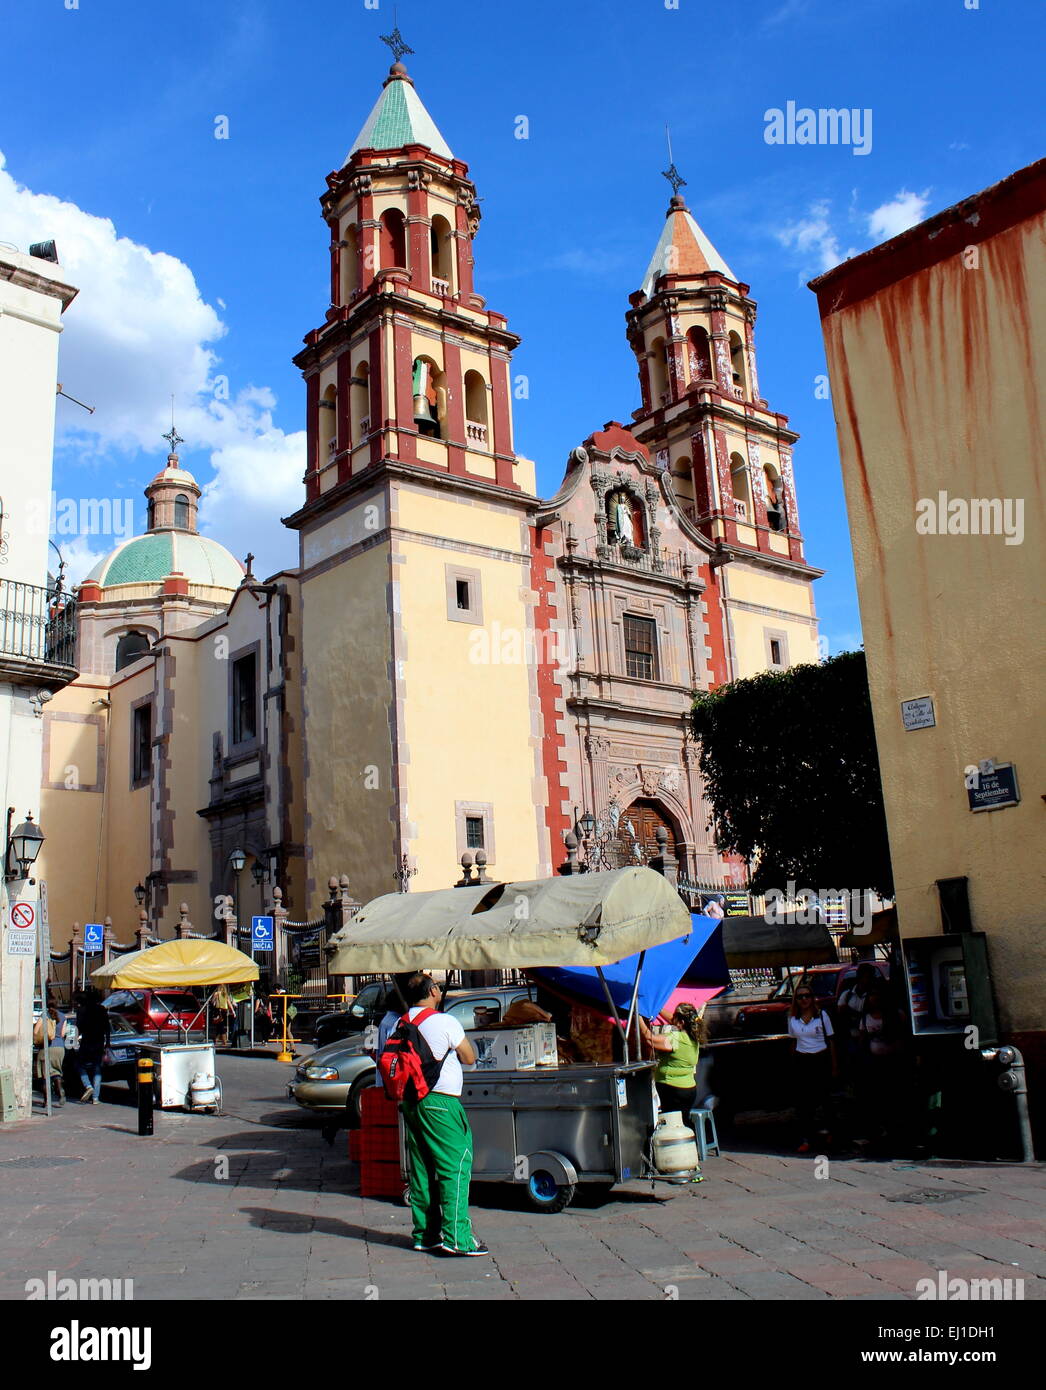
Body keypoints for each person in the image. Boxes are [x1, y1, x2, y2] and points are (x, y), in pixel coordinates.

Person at [395, 972, 485, 1257]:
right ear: (432, 990)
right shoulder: (445, 1022)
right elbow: (469, 1057)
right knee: (455, 1165)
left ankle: (425, 1234)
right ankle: (458, 1237)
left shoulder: (402, 1022)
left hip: (412, 1102)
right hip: (441, 1104)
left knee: (421, 1169)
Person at [853, 983, 909, 1148]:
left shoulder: (896, 1014)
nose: (874, 998)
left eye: (877, 994)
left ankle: (896, 1129)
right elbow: (862, 1040)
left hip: (894, 1062)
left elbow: (904, 1035)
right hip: (874, 1064)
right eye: (871, 995)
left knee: (894, 1096)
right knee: (877, 1097)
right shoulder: (865, 1017)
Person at [787, 980, 838, 1153]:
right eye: (800, 997)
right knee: (804, 1103)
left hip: (821, 1058)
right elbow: (793, 1041)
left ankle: (832, 1133)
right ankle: (807, 1138)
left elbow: (831, 1040)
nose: (804, 1000)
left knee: (826, 1100)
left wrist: (834, 1065)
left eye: (807, 996)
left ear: (812, 998)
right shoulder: (793, 1019)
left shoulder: (822, 1016)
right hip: (803, 1060)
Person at [74, 986, 111, 1104]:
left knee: (80, 1065)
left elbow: (78, 1028)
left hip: (86, 1041)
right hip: (99, 1042)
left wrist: (75, 1040)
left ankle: (88, 1085)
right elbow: (107, 1028)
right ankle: (95, 1098)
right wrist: (107, 1043)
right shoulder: (102, 1010)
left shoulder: (83, 1011)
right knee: (97, 1069)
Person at [33, 1003, 67, 1106]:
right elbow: (62, 1034)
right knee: (56, 1071)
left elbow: (35, 1031)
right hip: (59, 1048)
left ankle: (46, 1101)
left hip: (46, 1048)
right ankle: (60, 1091)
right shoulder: (63, 1016)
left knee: (45, 1076)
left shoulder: (45, 1015)